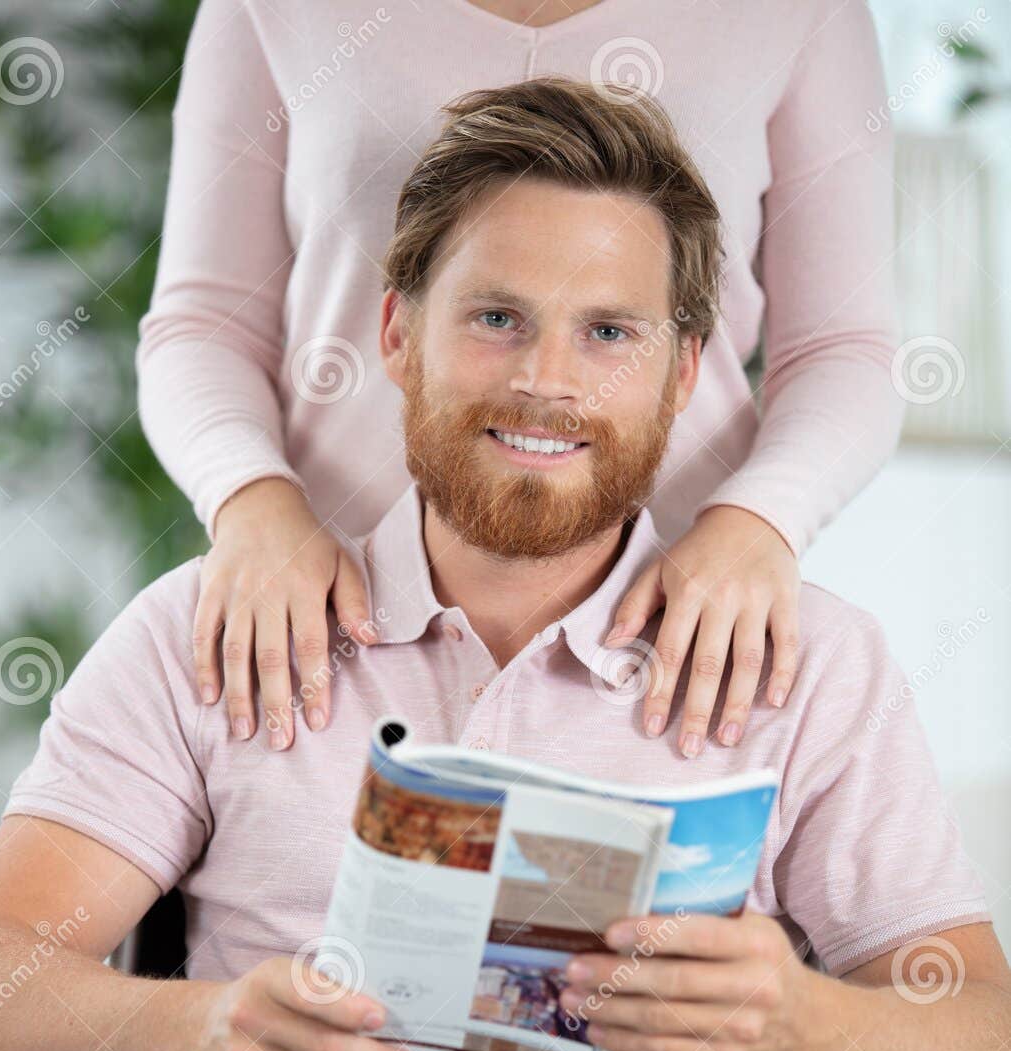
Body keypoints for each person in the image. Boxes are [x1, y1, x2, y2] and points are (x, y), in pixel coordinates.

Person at [0, 79, 1002, 1051]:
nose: (546, 381)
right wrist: (202, 1030)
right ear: (396, 335)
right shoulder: (210, 634)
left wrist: (810, 1018)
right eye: (495, 318)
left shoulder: (806, 666)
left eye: (608, 331)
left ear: (685, 368)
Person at [136, 0, 905, 753]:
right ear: (394, 330)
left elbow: (844, 346)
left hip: (666, 626)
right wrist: (252, 502)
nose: (545, 380)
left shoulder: (800, 12)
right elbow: (205, 323)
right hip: (330, 613)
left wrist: (759, 519)